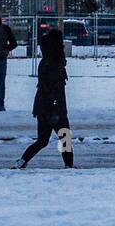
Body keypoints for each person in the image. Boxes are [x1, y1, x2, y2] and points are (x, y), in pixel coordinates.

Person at [14, 29, 73, 169]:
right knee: (65, 137)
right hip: (54, 107)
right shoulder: (54, 62)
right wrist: (55, 108)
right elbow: (52, 88)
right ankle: (69, 165)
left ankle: (21, 162)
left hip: (44, 106)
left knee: (42, 140)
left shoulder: (47, 60)